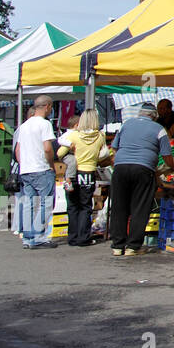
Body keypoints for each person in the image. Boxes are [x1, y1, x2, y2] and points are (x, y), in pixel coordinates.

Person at [109, 103, 174, 256]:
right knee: (140, 207)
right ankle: (133, 247)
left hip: (120, 168)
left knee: (119, 207)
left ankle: (117, 246)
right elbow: (166, 156)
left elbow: (114, 148)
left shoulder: (126, 124)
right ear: (154, 116)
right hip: (143, 169)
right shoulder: (159, 129)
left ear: (140, 114)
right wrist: (173, 166)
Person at [59, 109, 109, 247]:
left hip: (74, 174)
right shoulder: (100, 136)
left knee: (73, 206)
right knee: (85, 206)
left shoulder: (74, 136)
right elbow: (103, 154)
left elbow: (60, 153)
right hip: (89, 173)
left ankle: (72, 237)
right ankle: (83, 237)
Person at [14, 96, 58, 250]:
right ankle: (38, 236)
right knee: (46, 203)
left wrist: (24, 164)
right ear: (47, 106)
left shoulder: (24, 126)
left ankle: (27, 237)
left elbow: (18, 150)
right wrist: (51, 164)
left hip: (26, 169)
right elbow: (47, 148)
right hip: (41, 168)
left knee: (29, 204)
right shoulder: (45, 124)